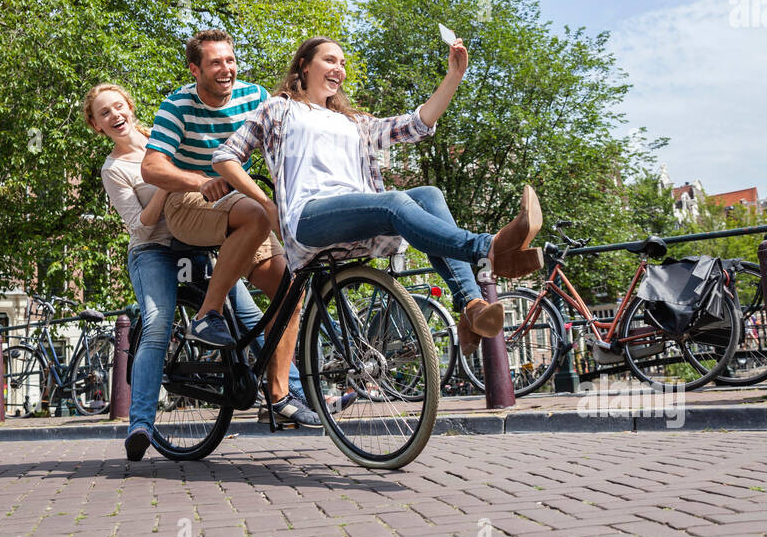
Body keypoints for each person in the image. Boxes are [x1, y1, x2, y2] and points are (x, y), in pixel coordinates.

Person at [211, 36, 544, 356]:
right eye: (329, 60)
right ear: (304, 66)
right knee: (395, 201)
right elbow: (226, 157)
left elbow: (417, 124)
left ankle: (471, 305)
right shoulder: (279, 109)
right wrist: (269, 205)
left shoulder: (354, 122)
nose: (338, 69)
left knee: (428, 195)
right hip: (308, 218)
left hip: (358, 217)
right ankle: (489, 248)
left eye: (342, 63)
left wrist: (454, 76)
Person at [85, 83, 289, 461]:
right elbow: (141, 226)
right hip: (153, 250)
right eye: (104, 114)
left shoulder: (162, 138)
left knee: (248, 317)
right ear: (97, 126)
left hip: (197, 239)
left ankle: (291, 393)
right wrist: (165, 182)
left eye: (118, 107)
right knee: (159, 324)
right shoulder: (115, 169)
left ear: (130, 107)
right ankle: (141, 424)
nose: (115, 116)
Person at [140, 30, 320, 428]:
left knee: (292, 289)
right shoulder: (177, 105)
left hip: (242, 204)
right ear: (195, 69)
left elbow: (285, 142)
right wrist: (197, 180)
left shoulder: (254, 96)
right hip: (189, 203)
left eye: (230, 60)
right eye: (216, 63)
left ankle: (278, 395)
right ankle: (208, 313)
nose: (227, 69)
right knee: (257, 214)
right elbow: (151, 167)